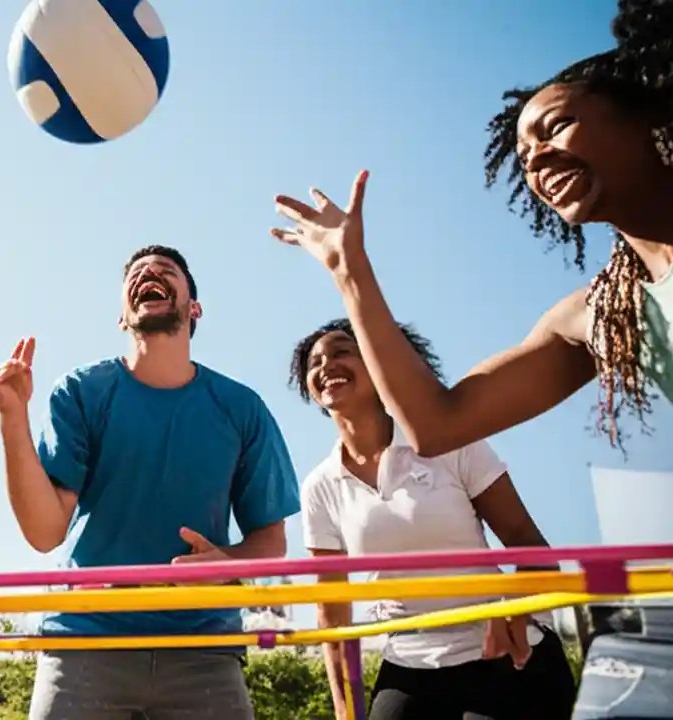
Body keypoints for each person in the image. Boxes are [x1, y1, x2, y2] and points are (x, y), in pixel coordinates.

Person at [269, 2, 672, 717]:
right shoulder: (594, 314)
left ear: (647, 105)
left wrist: (519, 596)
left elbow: (519, 534)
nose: (539, 158)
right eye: (523, 154)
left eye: (555, 126)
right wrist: (349, 269)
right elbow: (435, 422)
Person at [0, 245, 301, 720]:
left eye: (166, 270)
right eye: (136, 272)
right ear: (122, 317)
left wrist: (223, 562)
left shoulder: (242, 408)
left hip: (204, 649)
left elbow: (270, 542)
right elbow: (44, 532)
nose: (148, 272)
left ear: (194, 308)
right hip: (86, 641)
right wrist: (13, 419)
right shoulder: (81, 392)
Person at [292, 318, 576, 720]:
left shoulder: (447, 441)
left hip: (502, 648)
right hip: (411, 663)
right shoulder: (320, 485)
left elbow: (525, 539)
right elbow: (332, 612)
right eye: (314, 362)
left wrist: (517, 606)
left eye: (342, 352)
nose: (326, 366)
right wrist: (346, 711)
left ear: (377, 362)